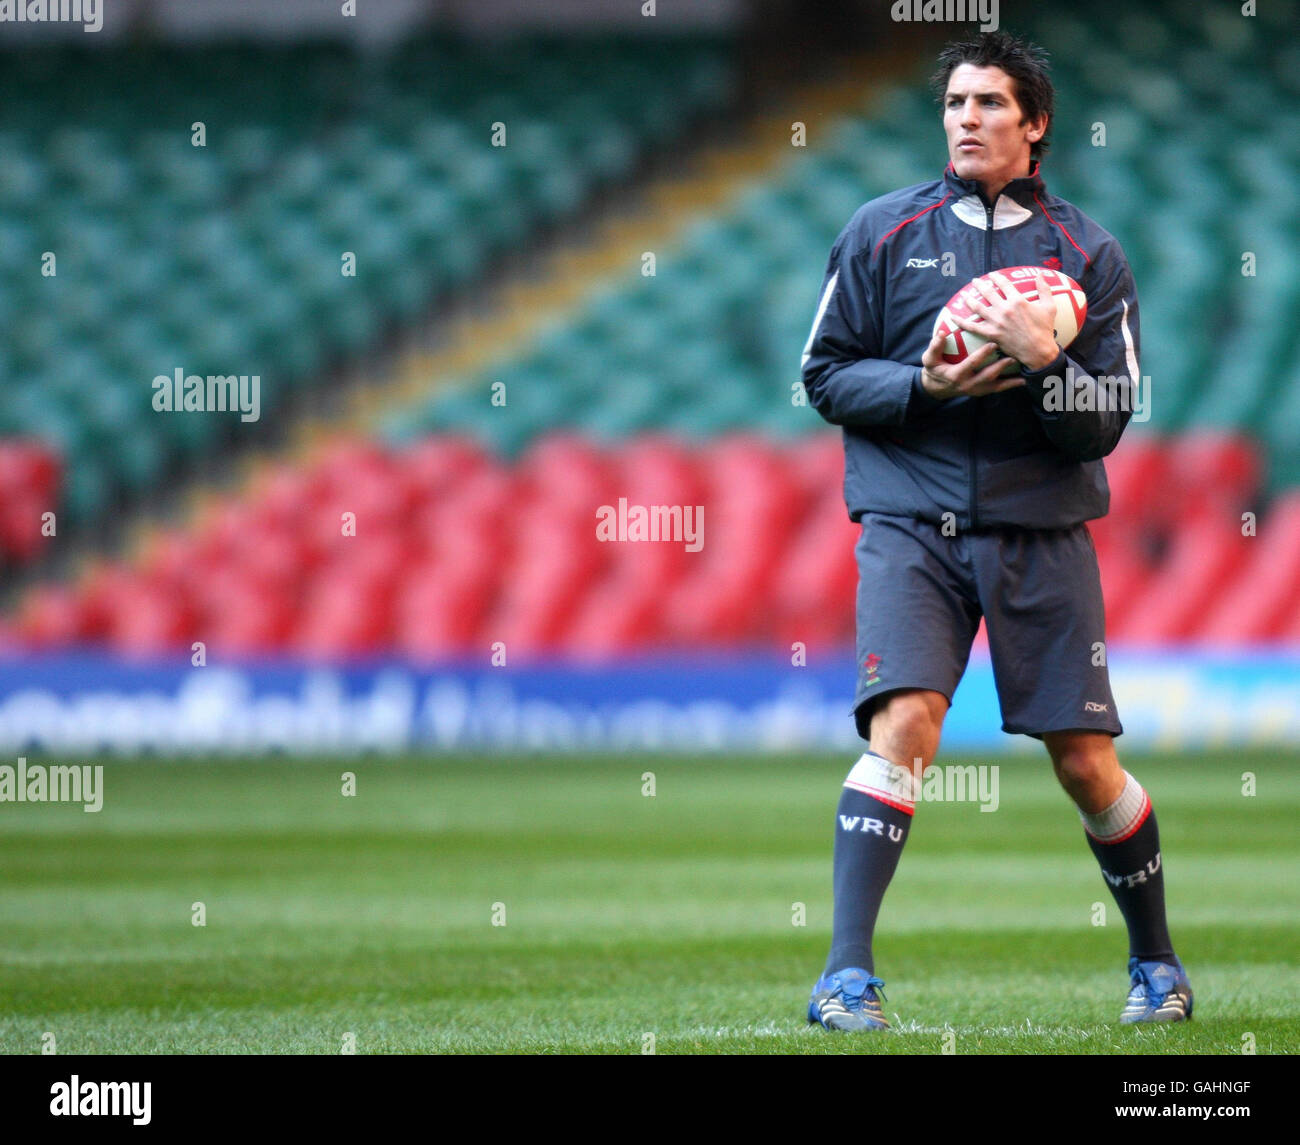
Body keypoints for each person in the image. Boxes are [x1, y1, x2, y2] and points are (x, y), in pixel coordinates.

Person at [799, 29, 1191, 1031]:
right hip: (908, 521)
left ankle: (1155, 963)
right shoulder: (880, 232)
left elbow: (1105, 415)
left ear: (1036, 123)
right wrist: (924, 383)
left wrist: (1044, 361)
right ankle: (846, 976)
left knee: (1083, 760)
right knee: (905, 724)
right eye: (953, 104)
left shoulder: (1087, 255)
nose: (966, 119)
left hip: (1038, 525)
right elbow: (825, 374)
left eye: (988, 105)